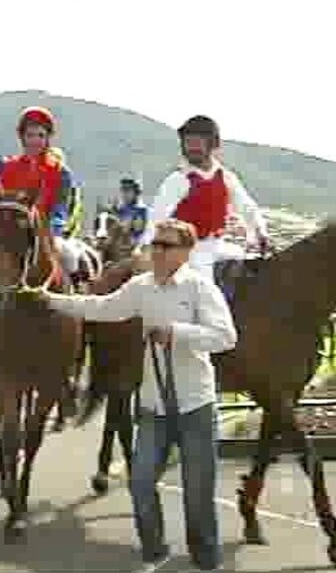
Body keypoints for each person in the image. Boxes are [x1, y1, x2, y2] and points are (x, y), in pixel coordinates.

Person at [37, 218, 236, 571]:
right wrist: (49, 299)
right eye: (155, 244)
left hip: (196, 408)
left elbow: (225, 337)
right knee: (141, 483)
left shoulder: (200, 289)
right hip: (153, 406)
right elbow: (101, 308)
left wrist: (177, 332)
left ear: (185, 252)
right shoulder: (140, 287)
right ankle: (154, 551)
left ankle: (205, 559)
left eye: (166, 245)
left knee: (198, 493)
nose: (156, 251)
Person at [0, 106, 88, 286]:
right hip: (4, 230)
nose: (35, 141)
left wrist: (47, 230)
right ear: (22, 137)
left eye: (40, 135)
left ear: (48, 138)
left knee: (69, 255)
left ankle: (78, 292)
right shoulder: (4, 167)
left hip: (43, 231)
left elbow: (60, 208)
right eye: (30, 135)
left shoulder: (60, 171)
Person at [138, 115, 270, 284]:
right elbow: (157, 217)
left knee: (251, 265)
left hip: (217, 244)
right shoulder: (178, 179)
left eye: (196, 142)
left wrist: (261, 233)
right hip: (186, 250)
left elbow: (247, 207)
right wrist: (147, 248)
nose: (191, 148)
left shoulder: (226, 177)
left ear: (213, 144)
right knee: (204, 288)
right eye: (187, 143)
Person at [114, 176, 151, 245]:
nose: (124, 194)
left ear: (135, 193)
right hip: (120, 243)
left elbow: (138, 231)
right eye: (123, 191)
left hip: (137, 244)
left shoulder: (140, 209)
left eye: (128, 191)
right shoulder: (120, 209)